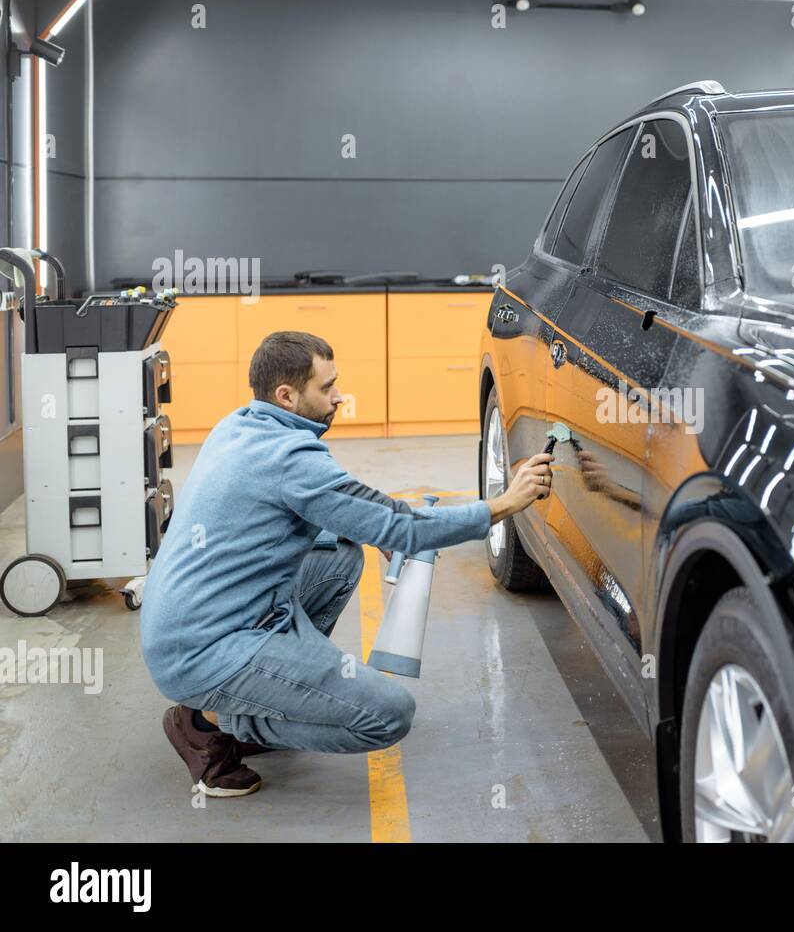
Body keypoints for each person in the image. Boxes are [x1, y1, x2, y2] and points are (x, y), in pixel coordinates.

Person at [141, 330, 552, 797]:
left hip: (187, 620)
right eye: (327, 388)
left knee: (339, 557)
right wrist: (504, 504)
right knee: (387, 715)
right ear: (287, 395)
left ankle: (268, 692)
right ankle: (207, 722)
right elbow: (405, 525)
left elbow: (281, 511)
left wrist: (366, 527)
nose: (339, 397)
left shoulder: (239, 425)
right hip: (202, 650)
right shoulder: (292, 459)